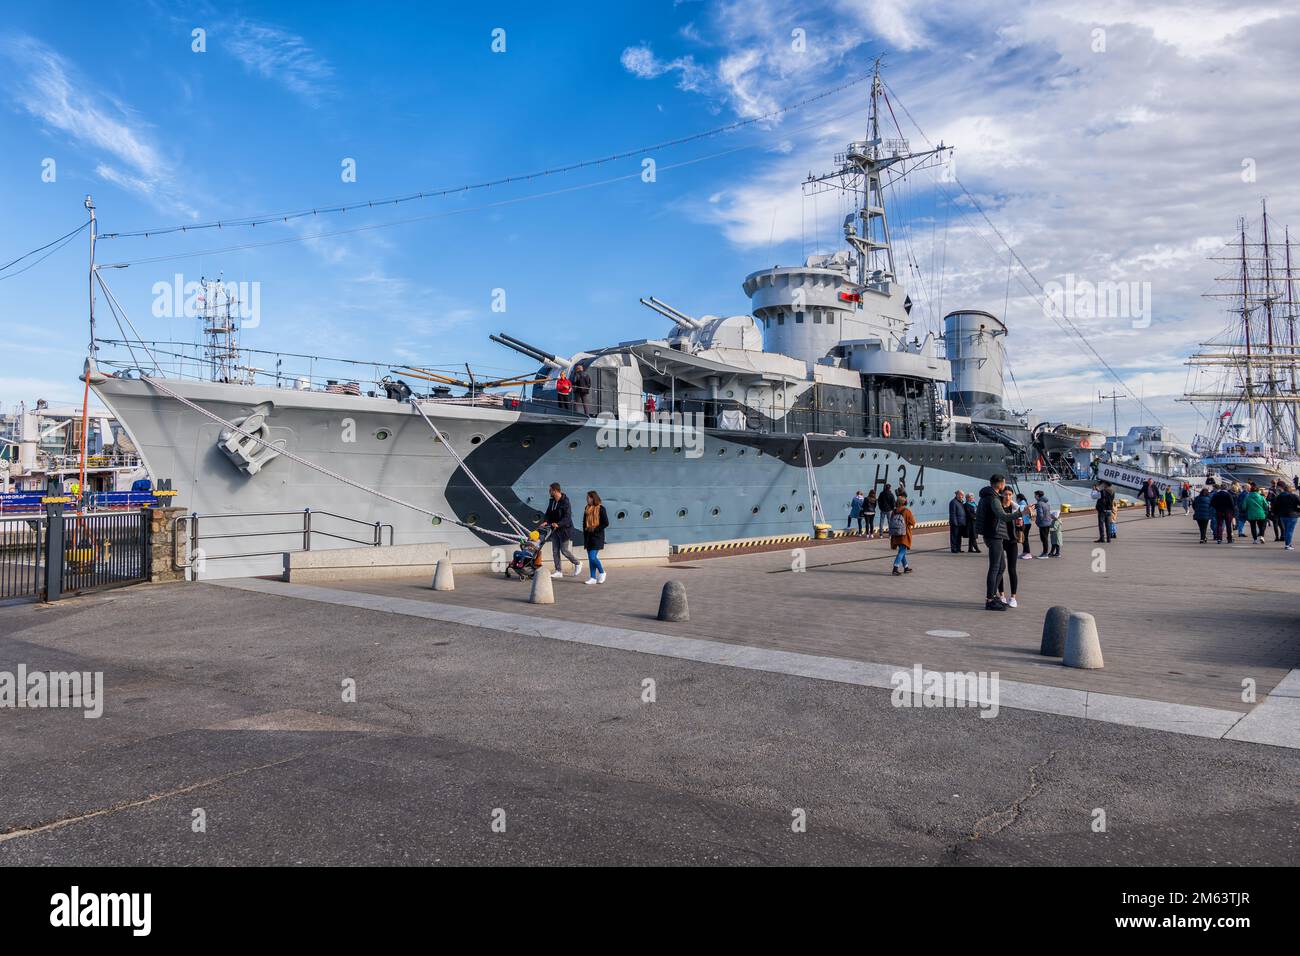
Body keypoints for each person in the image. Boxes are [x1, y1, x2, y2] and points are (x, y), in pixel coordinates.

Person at [977, 474, 1012, 610]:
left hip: (991, 534)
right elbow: (1003, 516)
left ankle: (993, 595)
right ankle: (990, 599)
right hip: (994, 535)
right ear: (1001, 484)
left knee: (1001, 566)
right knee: (994, 567)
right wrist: (1022, 513)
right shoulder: (993, 498)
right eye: (1004, 483)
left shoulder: (987, 496)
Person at [539, 482, 583, 578]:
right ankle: (558, 571)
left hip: (564, 530)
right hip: (554, 529)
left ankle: (578, 563)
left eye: (550, 490)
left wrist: (558, 524)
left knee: (564, 550)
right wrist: (546, 521)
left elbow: (567, 518)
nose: (549, 492)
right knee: (555, 551)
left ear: (555, 491)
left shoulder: (565, 502)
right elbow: (547, 513)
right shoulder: (552, 501)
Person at [996, 487, 1022, 607]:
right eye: (1006, 494)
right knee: (1000, 569)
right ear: (1002, 495)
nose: (1008, 497)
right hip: (1000, 540)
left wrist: (1021, 531)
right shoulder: (997, 507)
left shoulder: (1015, 508)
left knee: (1012, 569)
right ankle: (1001, 595)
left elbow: (1021, 523)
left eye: (1010, 494)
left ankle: (1013, 597)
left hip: (1012, 541)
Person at [581, 490, 609, 583]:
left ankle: (602, 572)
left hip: (597, 536)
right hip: (588, 536)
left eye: (588, 497)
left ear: (593, 498)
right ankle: (592, 577)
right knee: (590, 558)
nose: (586, 499)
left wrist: (595, 529)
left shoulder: (601, 509)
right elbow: (584, 522)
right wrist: (585, 530)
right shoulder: (587, 508)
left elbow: (606, 523)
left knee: (593, 557)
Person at [888, 493, 916, 575]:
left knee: (902, 551)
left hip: (896, 534)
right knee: (902, 551)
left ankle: (906, 567)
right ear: (904, 502)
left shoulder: (894, 511)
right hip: (904, 534)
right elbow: (913, 522)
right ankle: (895, 568)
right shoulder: (906, 511)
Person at [1271, 481, 1299, 550]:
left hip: (1283, 516)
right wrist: (1298, 511)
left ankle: (1288, 543)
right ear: (1290, 490)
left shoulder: (1279, 497)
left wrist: (1275, 513)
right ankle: (1288, 545)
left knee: (1286, 530)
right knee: (1289, 531)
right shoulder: (1294, 496)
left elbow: (1275, 506)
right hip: (1292, 515)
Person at [1032, 489, 1053, 557]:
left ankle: (1045, 553)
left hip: (1043, 523)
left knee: (1043, 539)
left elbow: (1040, 515)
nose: (1034, 496)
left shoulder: (1039, 503)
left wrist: (1036, 521)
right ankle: (1046, 552)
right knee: (1045, 538)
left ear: (1038, 495)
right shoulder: (1046, 503)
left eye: (1035, 495)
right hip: (1048, 522)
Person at [1015, 493, 1033, 558]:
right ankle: (1025, 552)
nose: (1016, 500)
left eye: (1016, 499)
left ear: (1019, 499)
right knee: (1024, 538)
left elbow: (1019, 516)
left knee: (1024, 539)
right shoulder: (1026, 505)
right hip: (1028, 523)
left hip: (1024, 524)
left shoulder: (1021, 506)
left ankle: (1028, 553)